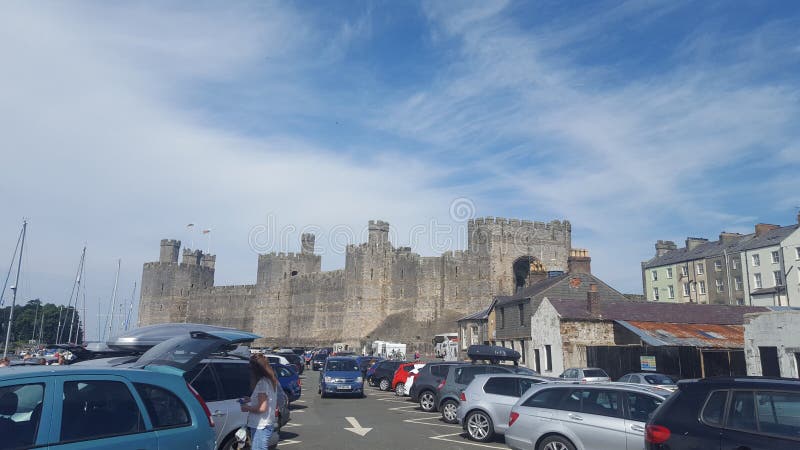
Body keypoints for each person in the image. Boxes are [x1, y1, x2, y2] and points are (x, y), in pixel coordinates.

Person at [240, 353, 278, 449]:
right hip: (266, 423)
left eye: (250, 368)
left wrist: (246, 408)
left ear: (255, 370)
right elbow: (268, 400)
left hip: (261, 425)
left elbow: (262, 408)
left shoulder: (262, 383)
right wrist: (251, 399)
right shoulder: (270, 381)